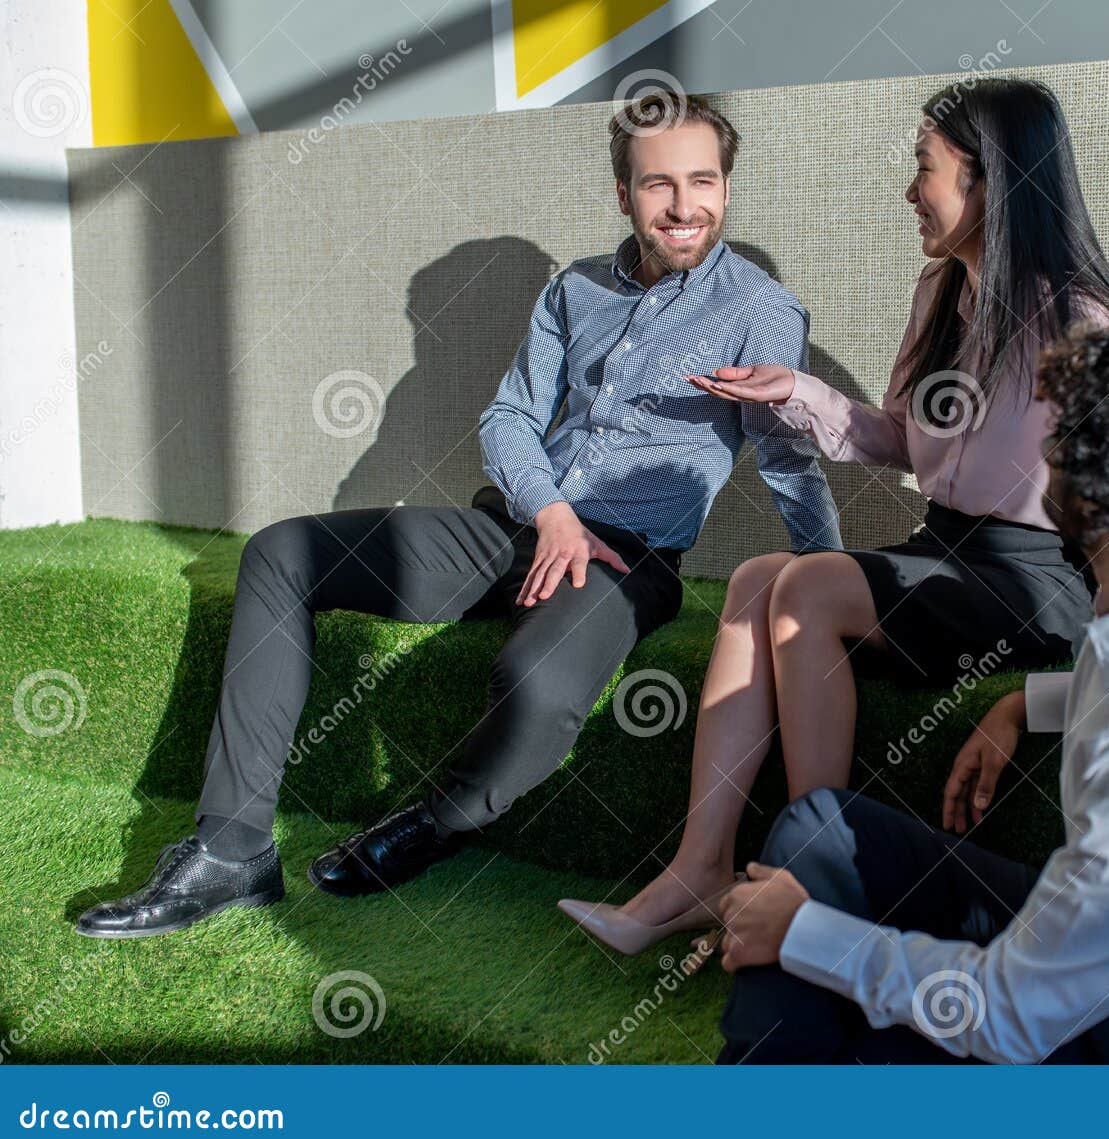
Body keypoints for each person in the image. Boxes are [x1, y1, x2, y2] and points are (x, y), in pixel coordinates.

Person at [75, 92, 841, 939]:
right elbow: (510, 418)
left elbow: (786, 455)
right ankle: (230, 851)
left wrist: (829, 577)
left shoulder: (759, 307)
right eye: (659, 184)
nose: (685, 205)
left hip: (627, 559)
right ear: (623, 193)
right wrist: (548, 509)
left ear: (728, 188)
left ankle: (433, 823)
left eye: (704, 181)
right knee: (280, 553)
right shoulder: (574, 291)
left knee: (535, 682)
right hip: (514, 527)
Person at [559, 78, 1109, 954]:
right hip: (946, 552)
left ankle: (808, 878)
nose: (911, 192)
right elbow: (904, 439)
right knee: (756, 578)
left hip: (1031, 579)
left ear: (993, 182)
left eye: (926, 170)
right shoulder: (940, 296)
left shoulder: (1079, 322)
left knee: (813, 584)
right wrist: (797, 390)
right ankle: (700, 866)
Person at [712, 312, 1109, 1065]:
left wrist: (803, 934)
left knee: (829, 988)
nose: (1046, 443)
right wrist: (1029, 702)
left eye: (1067, 432)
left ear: (1107, 493)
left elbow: (1008, 1019)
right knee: (817, 830)